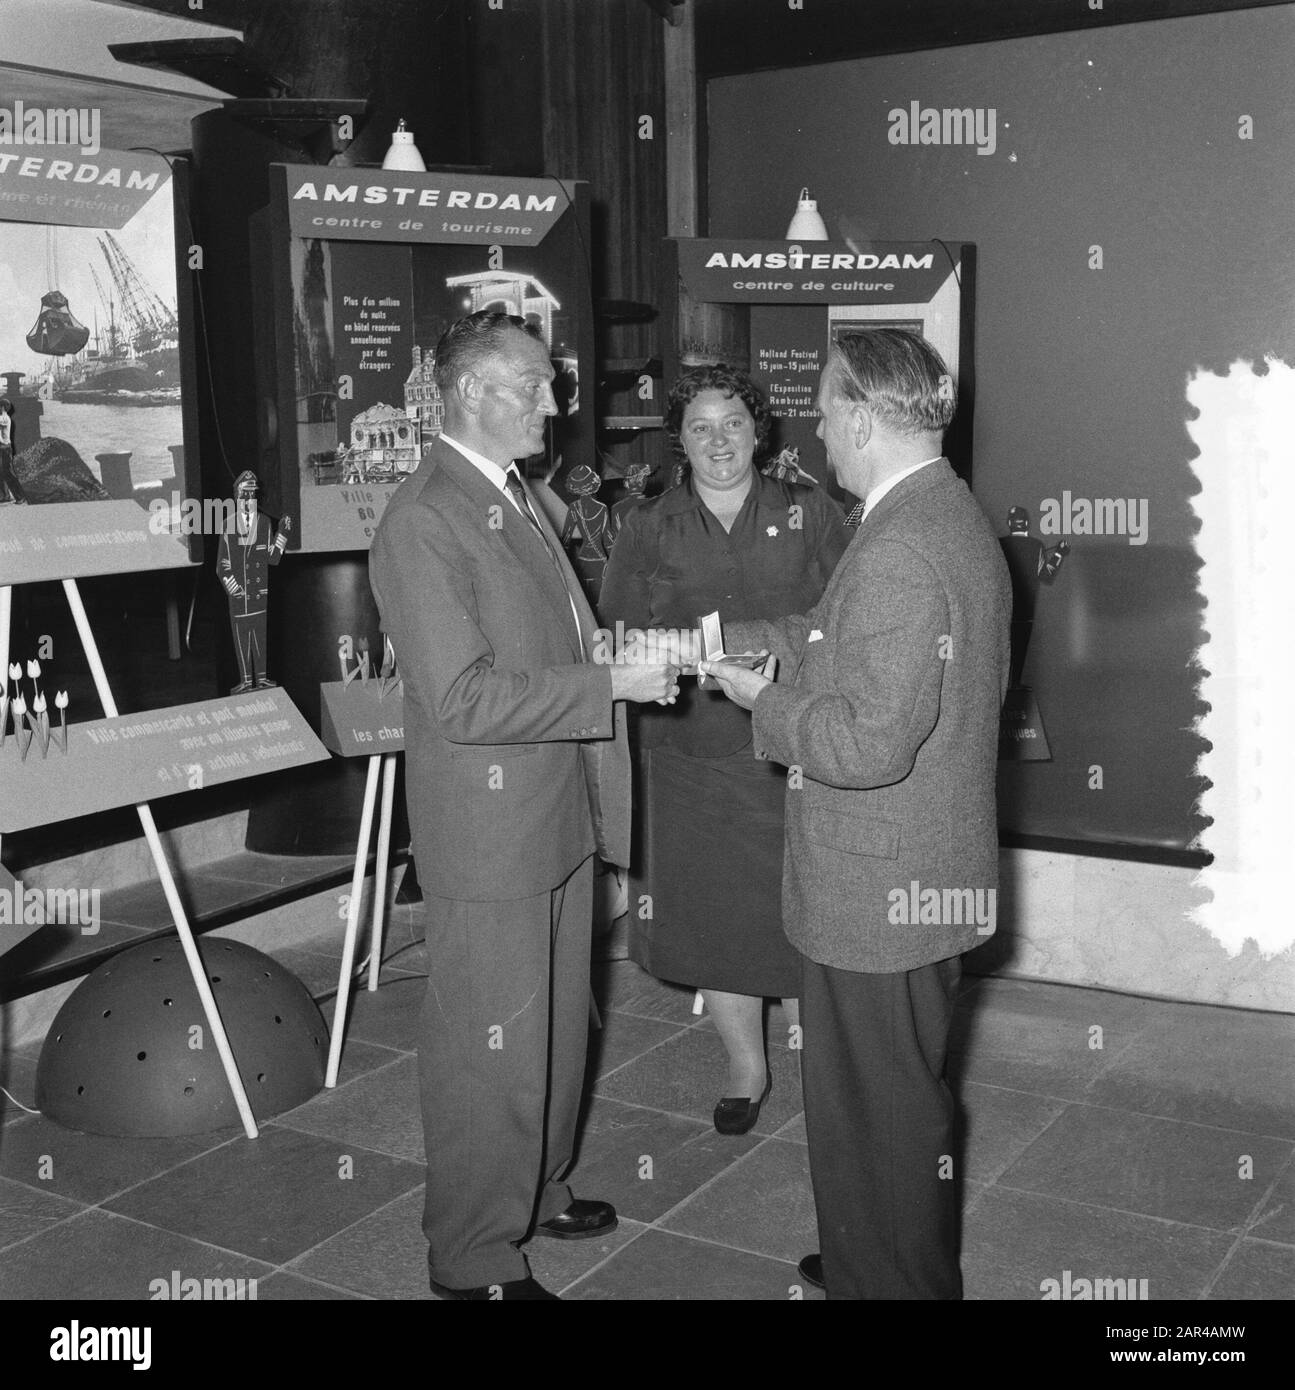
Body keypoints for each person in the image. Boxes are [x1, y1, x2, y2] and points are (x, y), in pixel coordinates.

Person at [368, 310, 678, 1301]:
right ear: (470, 392)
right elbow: (460, 699)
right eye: (536, 384)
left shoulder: (516, 494)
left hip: (554, 813)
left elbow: (544, 641)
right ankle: (470, 1256)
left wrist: (611, 657)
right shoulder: (423, 519)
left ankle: (537, 1187)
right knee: (484, 1048)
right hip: (490, 832)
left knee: (551, 1029)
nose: (556, 402)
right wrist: (611, 690)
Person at [699, 329, 1011, 1299]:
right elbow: (832, 638)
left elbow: (866, 744)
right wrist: (727, 643)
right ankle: (866, 1257)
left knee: (875, 1114)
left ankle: (887, 1280)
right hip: (917, 874)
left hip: (878, 895)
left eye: (828, 408)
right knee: (880, 1107)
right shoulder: (940, 514)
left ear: (866, 417)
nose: (815, 429)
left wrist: (764, 704)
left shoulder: (898, 548)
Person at [599, 364, 848, 1133]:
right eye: (700, 426)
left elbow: (848, 621)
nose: (718, 441)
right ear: (677, 437)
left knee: (811, 908)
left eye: (733, 423)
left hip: (796, 742)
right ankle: (746, 1065)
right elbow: (614, 634)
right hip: (691, 751)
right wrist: (673, 656)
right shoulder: (647, 523)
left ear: (759, 430)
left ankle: (830, 1068)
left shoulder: (813, 511)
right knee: (718, 918)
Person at [216, 470, 291, 692]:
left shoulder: (265, 522)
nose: (249, 499)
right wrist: (234, 589)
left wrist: (283, 534)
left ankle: (262, 677)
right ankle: (246, 681)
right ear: (237, 497)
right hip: (240, 596)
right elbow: (222, 564)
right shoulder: (228, 525)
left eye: (252, 494)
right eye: (245, 494)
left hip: (259, 593)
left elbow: (273, 558)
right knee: (242, 638)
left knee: (260, 638)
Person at [0, 398, 28, 505]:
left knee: (9, 473)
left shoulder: (5, 418)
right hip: (1, 448)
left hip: (5, 449)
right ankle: (5, 496)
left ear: (2, 407)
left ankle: (20, 496)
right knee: (1, 473)